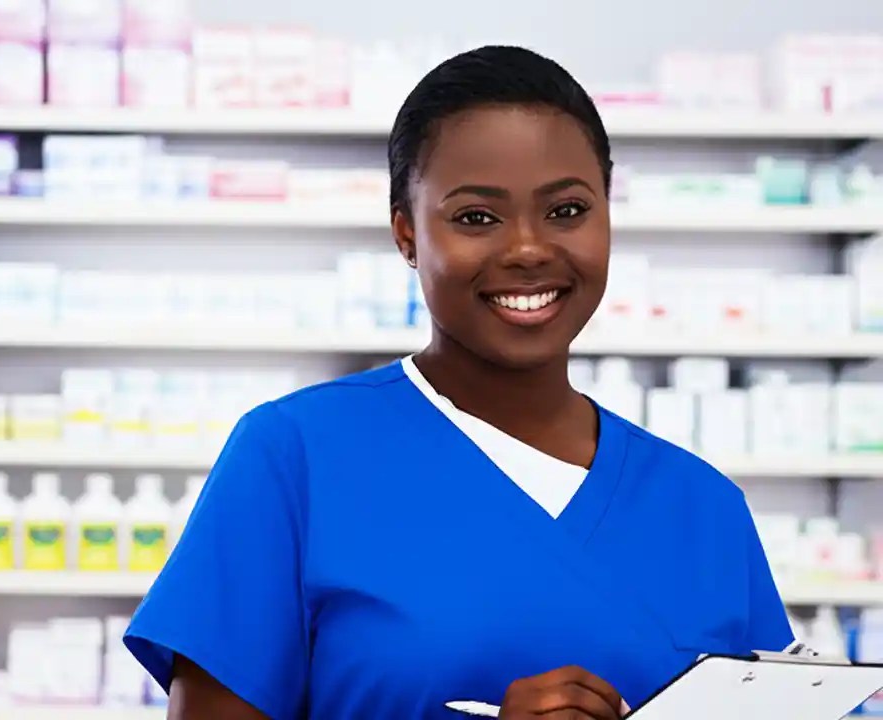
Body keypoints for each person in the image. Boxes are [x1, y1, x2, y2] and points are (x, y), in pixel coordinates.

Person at [124, 45, 794, 719]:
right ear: (407, 235)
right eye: (477, 217)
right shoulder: (296, 456)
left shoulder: (704, 509)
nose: (529, 248)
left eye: (567, 210)